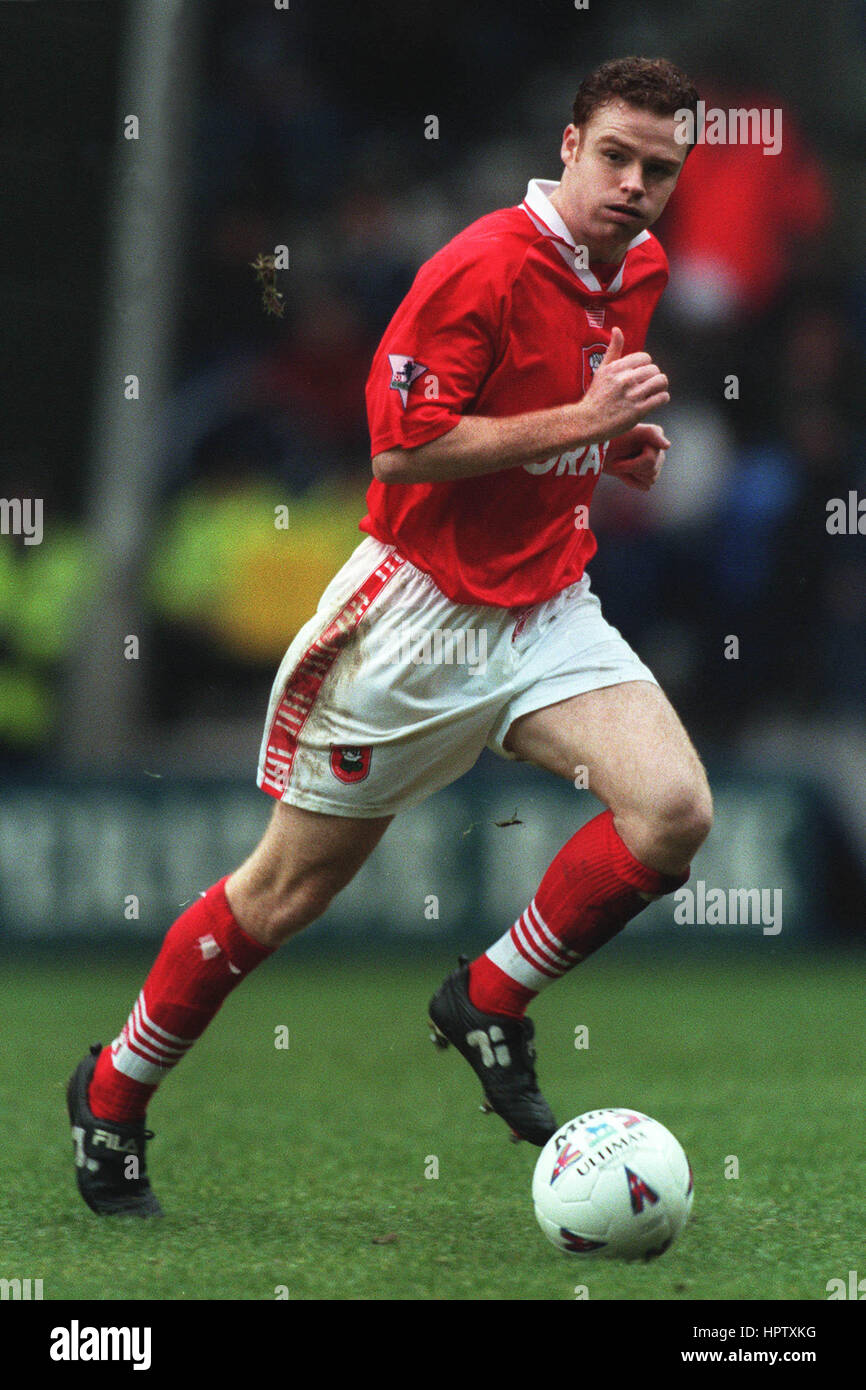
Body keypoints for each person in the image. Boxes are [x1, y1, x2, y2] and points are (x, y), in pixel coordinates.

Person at [67, 55, 713, 1216]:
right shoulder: (478, 264)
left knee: (671, 812)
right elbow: (399, 448)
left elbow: (554, 413)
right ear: (566, 146)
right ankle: (112, 1095)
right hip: (411, 622)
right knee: (278, 899)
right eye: (613, 156)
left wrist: (603, 449)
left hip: (546, 609)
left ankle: (488, 998)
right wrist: (580, 421)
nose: (631, 185)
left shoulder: (643, 267)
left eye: (656, 169)